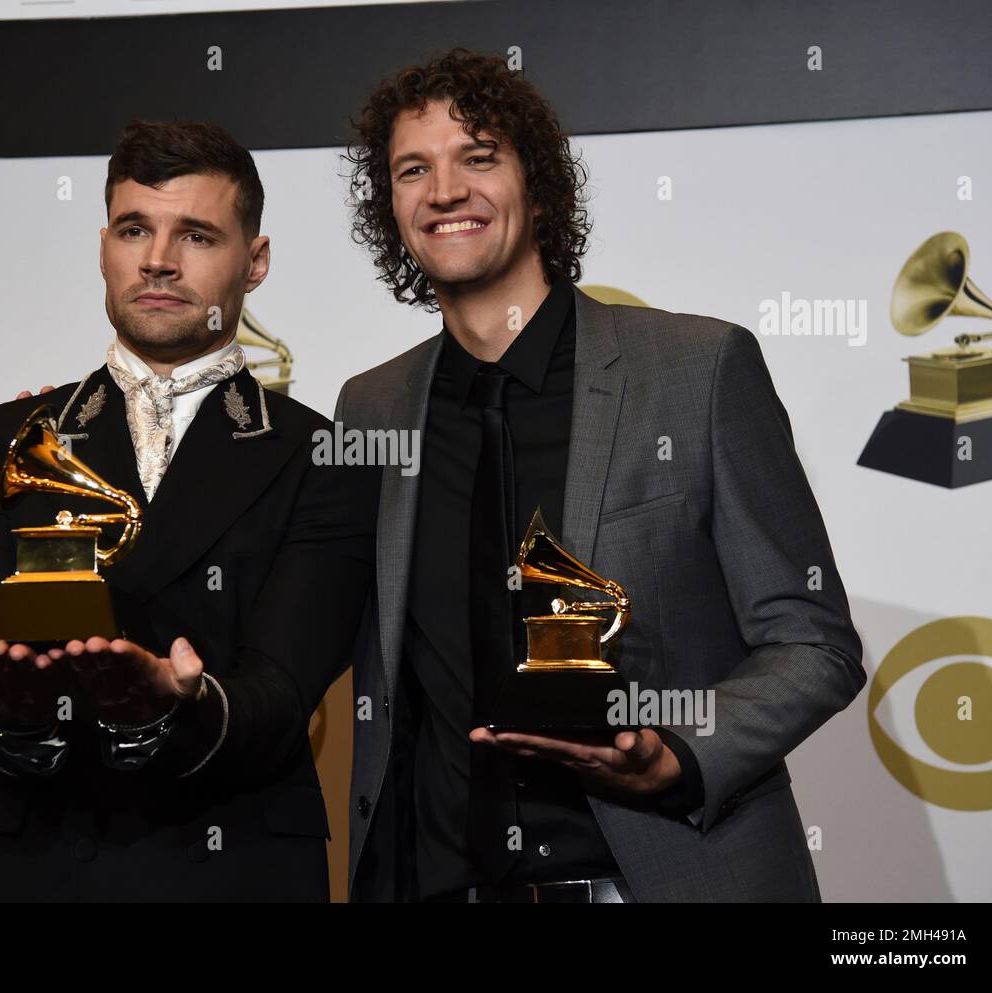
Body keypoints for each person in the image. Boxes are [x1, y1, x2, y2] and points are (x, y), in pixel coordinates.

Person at [336, 47, 865, 902]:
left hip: (667, 876)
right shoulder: (373, 406)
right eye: (413, 169)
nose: (444, 192)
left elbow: (813, 641)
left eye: (478, 158)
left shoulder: (698, 369)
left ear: (538, 186)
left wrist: (682, 751)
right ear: (390, 205)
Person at [0, 119, 376, 901]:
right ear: (104, 245)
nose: (159, 260)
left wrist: (168, 704)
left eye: (198, 235)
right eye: (135, 228)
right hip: (42, 865)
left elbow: (278, 699)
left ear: (257, 260)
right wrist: (12, 707)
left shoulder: (326, 456)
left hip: (239, 866)